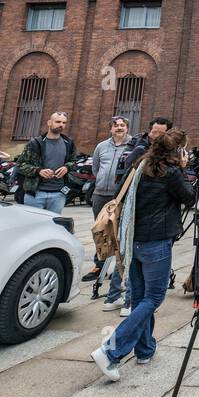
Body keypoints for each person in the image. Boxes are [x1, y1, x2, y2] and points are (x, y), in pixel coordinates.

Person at [91, 129, 198, 381]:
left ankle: (144, 349)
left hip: (134, 239)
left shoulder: (139, 165)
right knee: (154, 297)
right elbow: (190, 198)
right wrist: (183, 169)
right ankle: (111, 350)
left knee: (139, 298)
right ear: (178, 151)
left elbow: (119, 192)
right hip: (156, 242)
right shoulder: (171, 173)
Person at [86, 117, 132, 308]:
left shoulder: (132, 146)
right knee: (100, 230)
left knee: (118, 232)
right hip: (100, 193)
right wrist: (101, 181)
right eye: (116, 125)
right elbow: (96, 168)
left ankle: (117, 268)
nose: (119, 128)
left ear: (127, 128)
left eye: (122, 125)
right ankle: (99, 265)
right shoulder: (101, 146)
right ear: (111, 129)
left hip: (118, 195)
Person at [16, 112, 76, 215]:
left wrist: (67, 167)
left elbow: (74, 162)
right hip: (35, 194)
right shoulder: (35, 143)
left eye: (64, 123)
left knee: (53, 223)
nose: (61, 125)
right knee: (33, 224)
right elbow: (20, 165)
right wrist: (38, 171)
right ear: (49, 123)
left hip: (59, 194)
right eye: (58, 122)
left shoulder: (69, 143)